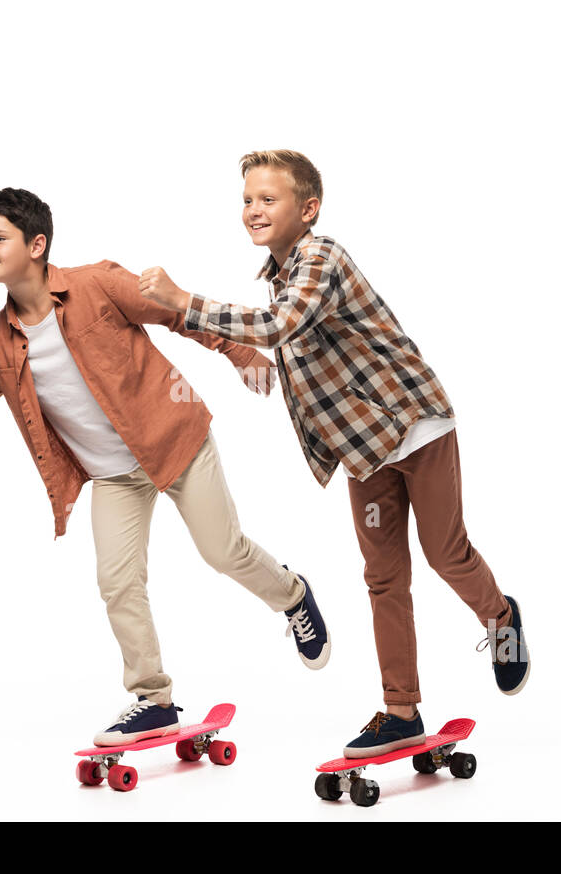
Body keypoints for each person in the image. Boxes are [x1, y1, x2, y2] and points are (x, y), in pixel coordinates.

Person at [137, 150, 528, 758]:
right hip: (362, 453)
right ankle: (401, 711)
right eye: (246, 199)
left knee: (444, 552)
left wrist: (184, 300)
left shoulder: (322, 256)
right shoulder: (277, 275)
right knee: (382, 578)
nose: (253, 209)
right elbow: (277, 334)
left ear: (308, 209)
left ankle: (500, 617)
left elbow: (279, 325)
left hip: (415, 427)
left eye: (269, 198)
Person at [0, 187, 330, 747]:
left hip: (174, 440)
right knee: (117, 581)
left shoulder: (96, 284)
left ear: (36, 245)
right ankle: (153, 698)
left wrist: (238, 352)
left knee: (221, 550)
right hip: (112, 473)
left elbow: (173, 311)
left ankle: (292, 595)